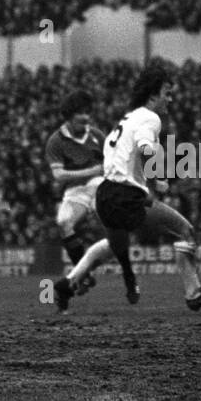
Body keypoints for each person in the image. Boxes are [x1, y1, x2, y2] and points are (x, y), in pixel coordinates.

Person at [54, 65, 201, 312]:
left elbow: (117, 156)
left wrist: (152, 178)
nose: (170, 99)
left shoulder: (127, 118)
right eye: (167, 93)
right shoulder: (150, 118)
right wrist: (154, 163)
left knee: (113, 246)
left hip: (105, 195)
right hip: (124, 197)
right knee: (185, 231)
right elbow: (145, 145)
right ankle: (194, 293)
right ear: (153, 95)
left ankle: (67, 285)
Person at [44, 90, 114, 296]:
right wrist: (90, 171)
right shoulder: (55, 141)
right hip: (76, 189)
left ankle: (82, 274)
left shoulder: (97, 135)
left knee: (111, 222)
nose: (86, 117)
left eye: (87, 112)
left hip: (100, 184)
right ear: (68, 116)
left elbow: (110, 164)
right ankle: (82, 276)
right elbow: (58, 175)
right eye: (80, 113)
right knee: (63, 222)